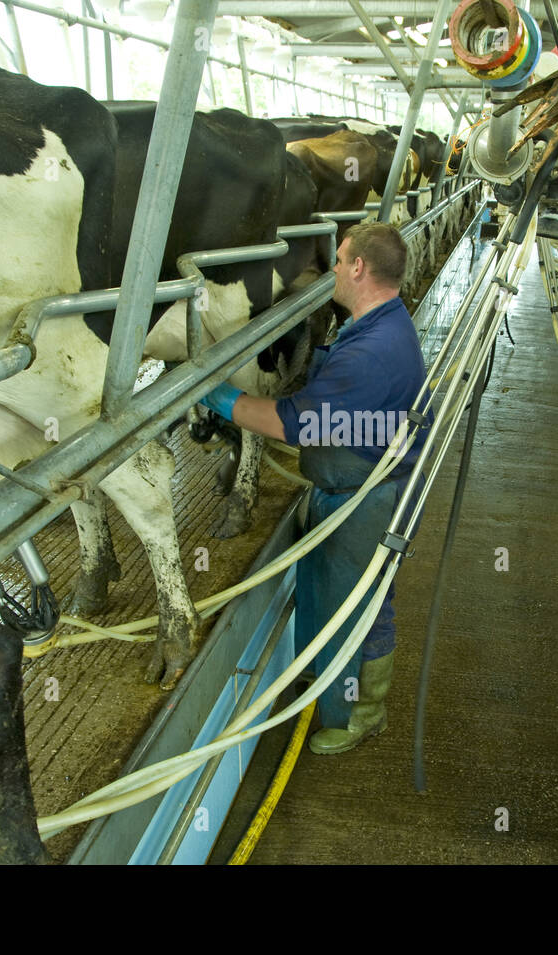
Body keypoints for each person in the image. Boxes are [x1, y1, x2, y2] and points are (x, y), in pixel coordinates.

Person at [199, 221, 428, 754]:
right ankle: (319, 681)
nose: (331, 269)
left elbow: (294, 424)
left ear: (358, 268)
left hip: (370, 496)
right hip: (348, 486)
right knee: (328, 592)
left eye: (339, 258)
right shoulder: (375, 325)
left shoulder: (372, 351)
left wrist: (222, 400)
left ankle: (359, 714)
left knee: (359, 608)